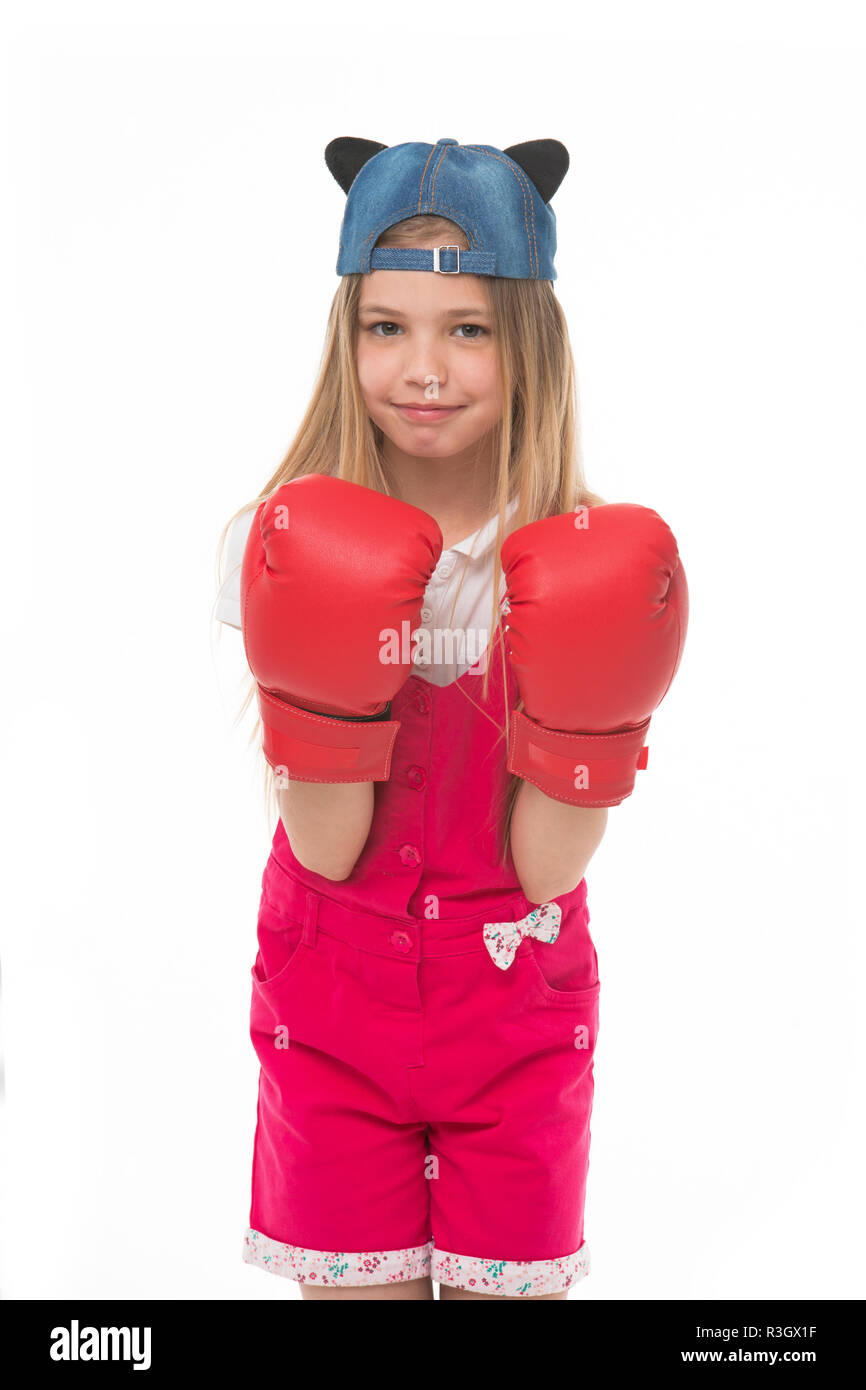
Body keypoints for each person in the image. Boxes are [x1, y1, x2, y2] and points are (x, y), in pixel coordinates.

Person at [214, 136, 689, 1301]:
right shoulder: (272, 544)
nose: (423, 366)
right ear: (348, 336)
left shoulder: (586, 567)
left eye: (466, 328)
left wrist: (589, 730)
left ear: (527, 341)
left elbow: (539, 870)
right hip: (331, 1010)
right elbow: (327, 847)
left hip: (514, 1019)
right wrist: (326, 650)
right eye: (388, 326)